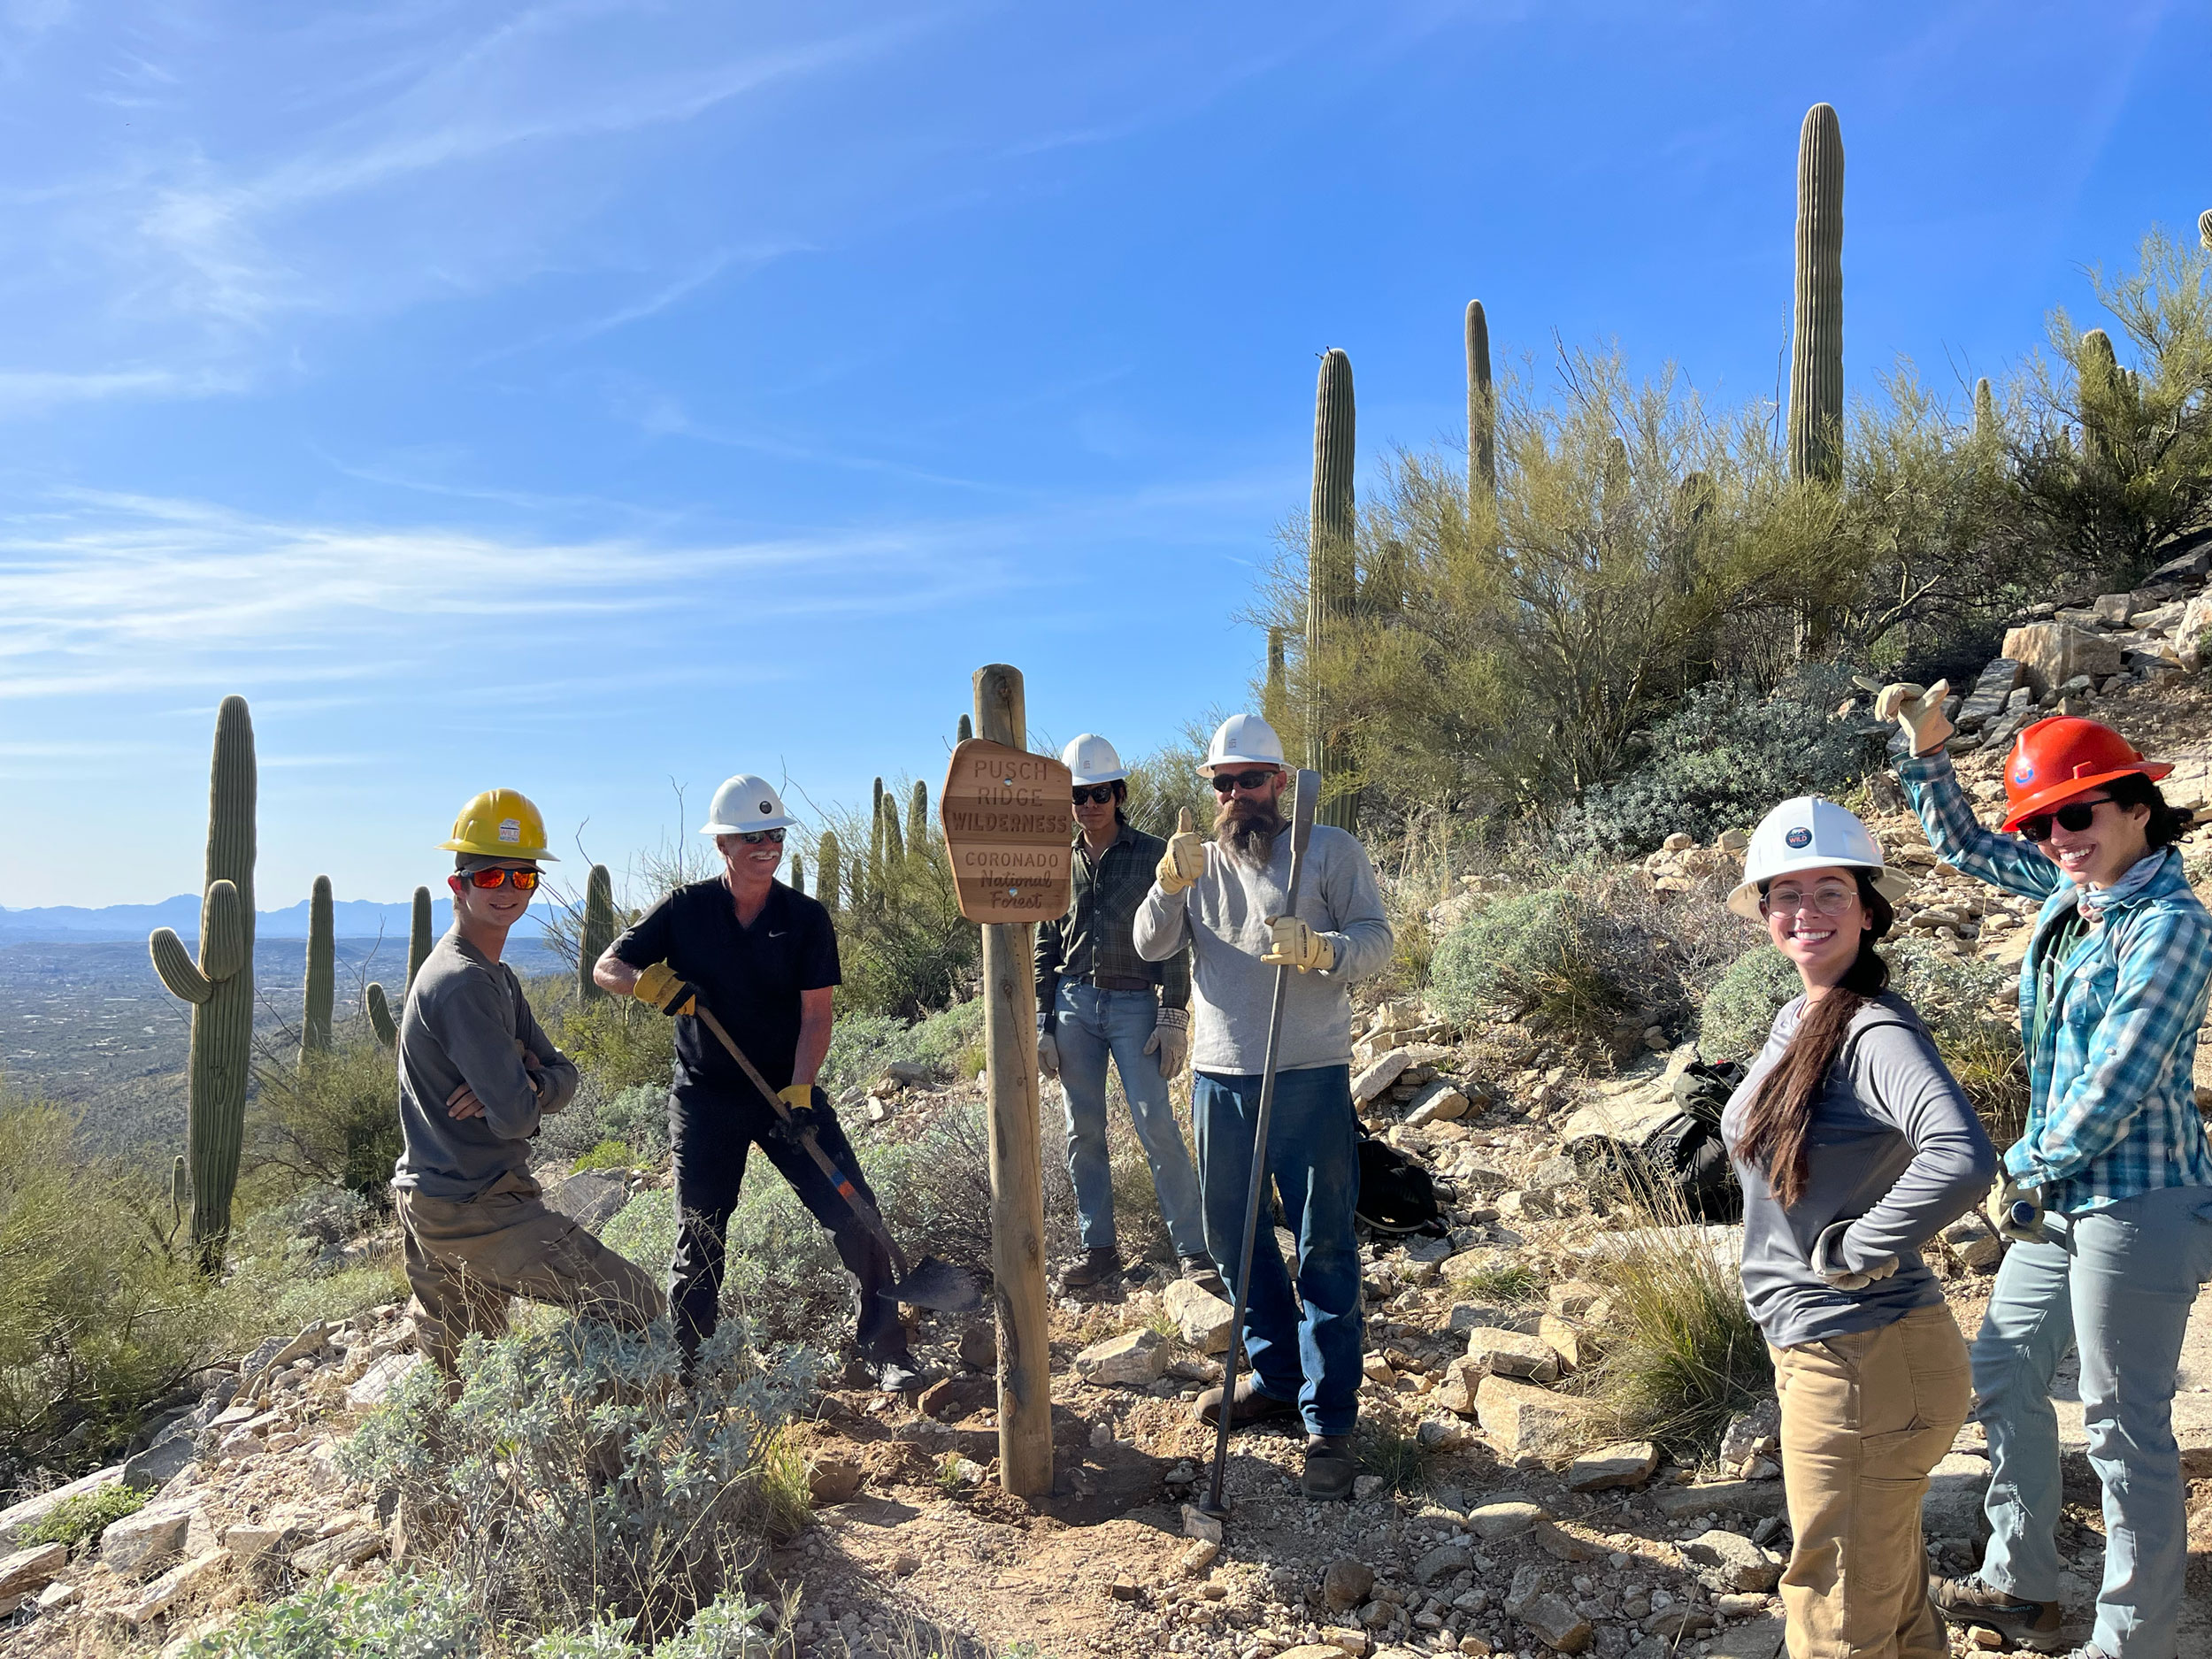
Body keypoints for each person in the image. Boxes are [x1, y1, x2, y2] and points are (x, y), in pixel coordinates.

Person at [1880, 688, 2212, 1659]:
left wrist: (2009, 1164)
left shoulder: (2169, 922)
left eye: (2077, 813)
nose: (2058, 835)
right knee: (2003, 1376)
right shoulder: (2079, 895)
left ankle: (2130, 1639)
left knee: (2120, 1426)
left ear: (2135, 807)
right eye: (2044, 820)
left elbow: (2119, 1081)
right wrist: (1929, 757)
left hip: (2138, 1202)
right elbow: (1975, 851)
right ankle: (2022, 1582)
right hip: (2057, 1197)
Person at [1720, 796, 1997, 1659]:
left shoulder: (1871, 1029)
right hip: (1843, 1358)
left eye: (1829, 891)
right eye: (1786, 894)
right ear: (1764, 912)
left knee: (1835, 1618)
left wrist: (1853, 1247)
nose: (1806, 912)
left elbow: (1960, 1154)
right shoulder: (1803, 1016)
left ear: (1869, 909)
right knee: (1892, 1613)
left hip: (1860, 1362)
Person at [1133, 713, 1393, 1501]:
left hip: (1309, 1074)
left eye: (1252, 779)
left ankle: (1329, 1422)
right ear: (1211, 790)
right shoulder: (1197, 863)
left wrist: (1322, 950)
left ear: (1281, 782)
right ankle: (1277, 1376)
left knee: (1321, 1242)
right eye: (1224, 782)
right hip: (1221, 1076)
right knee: (1231, 1237)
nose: (1237, 793)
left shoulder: (1329, 849)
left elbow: (1377, 941)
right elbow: (1149, 945)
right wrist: (1164, 884)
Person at [593, 772, 921, 1389]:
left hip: (784, 1092)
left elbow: (817, 1013)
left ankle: (885, 1349)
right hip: (706, 1098)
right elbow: (607, 965)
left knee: (855, 1211)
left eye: (773, 833)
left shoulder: (804, 918)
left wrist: (800, 1092)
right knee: (701, 1234)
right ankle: (690, 1371)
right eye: (752, 836)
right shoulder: (685, 910)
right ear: (723, 844)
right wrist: (653, 985)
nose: (766, 845)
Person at [393, 788, 666, 1377]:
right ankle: (605, 1455)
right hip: (475, 1207)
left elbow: (564, 1074)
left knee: (469, 1373)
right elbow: (518, 1116)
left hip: (441, 1198)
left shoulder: (495, 976)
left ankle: (490, 1460)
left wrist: (522, 1074)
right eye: (490, 874)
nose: (508, 888)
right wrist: (521, 1080)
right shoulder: (464, 981)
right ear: (457, 884)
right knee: (637, 1305)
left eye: (522, 875)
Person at [1035, 732, 1212, 1291]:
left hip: (1136, 1002)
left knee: (1155, 1122)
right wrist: (1042, 1023)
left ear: (1119, 794)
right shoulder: (1057, 863)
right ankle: (1099, 1249)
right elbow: (1045, 945)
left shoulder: (1153, 856)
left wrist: (1173, 1014)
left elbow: (1176, 935)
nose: (1090, 805)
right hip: (1074, 1006)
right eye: (1080, 795)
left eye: (1101, 793)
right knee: (1082, 1129)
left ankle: (1194, 1249)